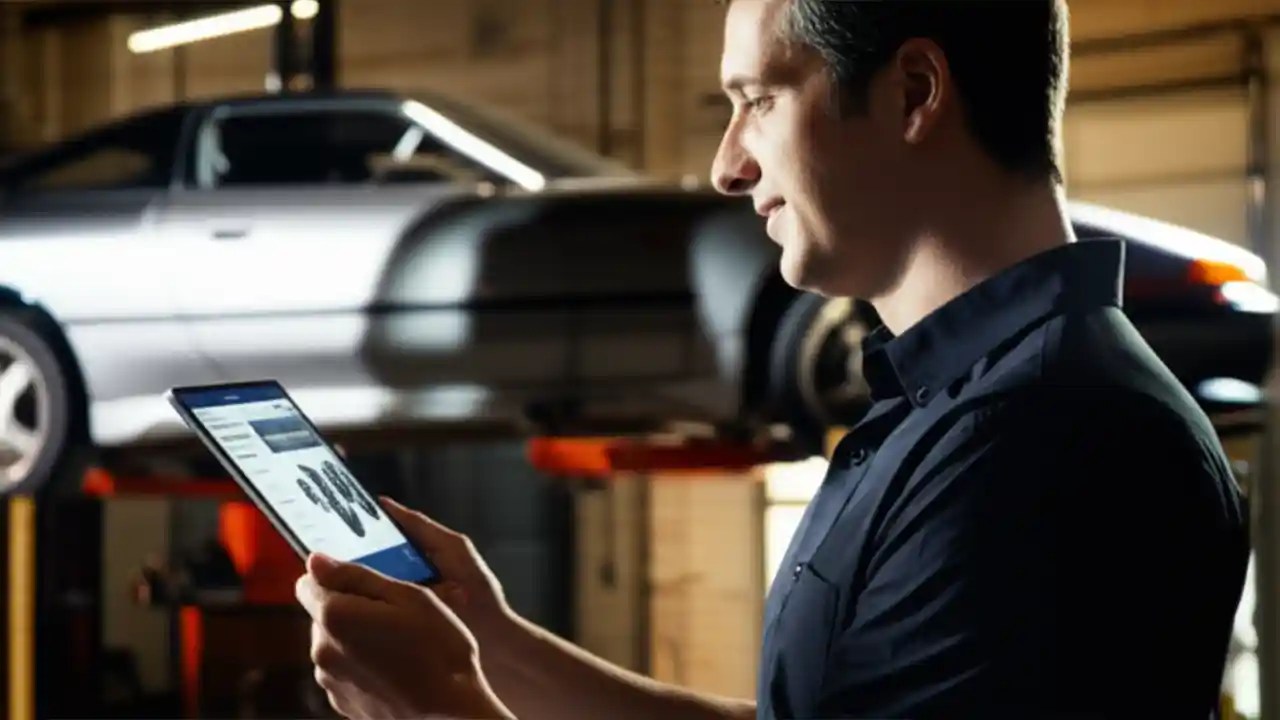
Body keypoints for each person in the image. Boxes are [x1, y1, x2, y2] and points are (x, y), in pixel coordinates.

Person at [293, 0, 1253, 717]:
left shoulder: (1045, 444)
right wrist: (493, 645)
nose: (727, 165)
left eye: (758, 99)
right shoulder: (960, 405)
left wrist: (441, 709)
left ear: (914, 93)